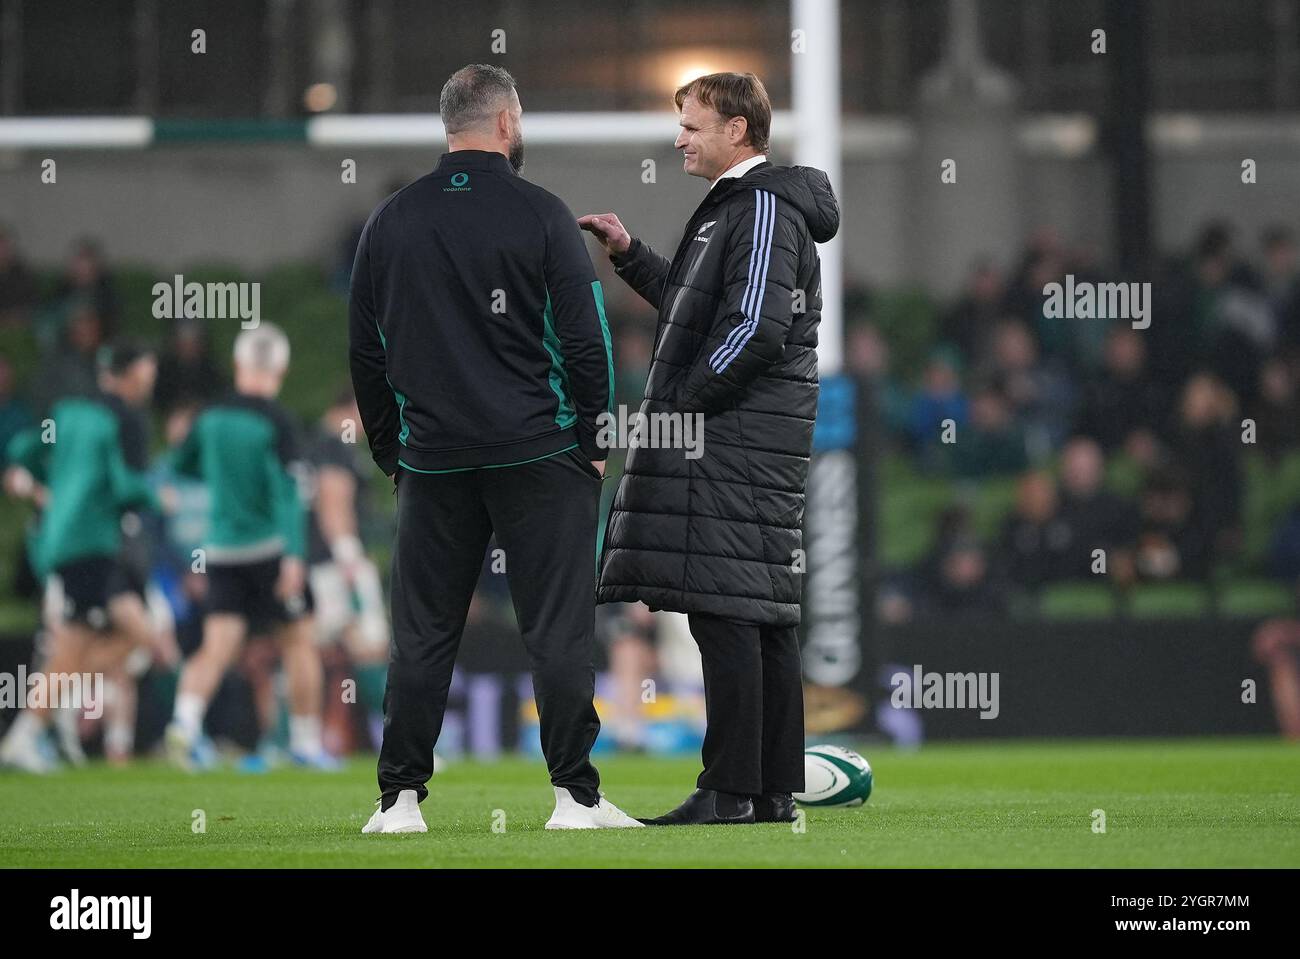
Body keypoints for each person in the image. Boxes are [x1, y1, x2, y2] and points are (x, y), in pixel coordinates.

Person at [348, 64, 638, 833]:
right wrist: (594, 438)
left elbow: (365, 354)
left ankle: (399, 799)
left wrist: (391, 453)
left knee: (421, 632)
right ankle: (574, 796)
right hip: (539, 452)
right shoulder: (543, 214)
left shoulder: (390, 221)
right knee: (558, 628)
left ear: (451, 125)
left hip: (433, 460)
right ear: (506, 122)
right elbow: (587, 341)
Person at [580, 71, 840, 825]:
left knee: (728, 613)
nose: (679, 139)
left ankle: (729, 790)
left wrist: (682, 404)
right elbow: (710, 309)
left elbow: (753, 327)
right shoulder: (743, 209)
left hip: (736, 442)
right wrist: (631, 255)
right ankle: (767, 792)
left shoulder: (760, 207)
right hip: (750, 439)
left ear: (737, 130)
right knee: (756, 615)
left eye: (691, 126)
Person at [164, 324, 334, 771]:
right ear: (280, 368)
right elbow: (290, 493)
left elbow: (181, 462)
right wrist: (295, 556)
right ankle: (305, 742)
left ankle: (184, 723)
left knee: (218, 644)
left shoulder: (210, 415)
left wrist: (222, 482)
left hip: (221, 549)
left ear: (240, 364)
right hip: (270, 548)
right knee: (299, 642)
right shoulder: (277, 421)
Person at [0, 342, 163, 772]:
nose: (150, 377)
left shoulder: (69, 411)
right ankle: (28, 732)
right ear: (133, 372)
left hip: (58, 538)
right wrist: (158, 495)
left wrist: (43, 487)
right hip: (92, 540)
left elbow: (21, 452)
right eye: (147, 368)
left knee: (115, 639)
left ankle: (44, 716)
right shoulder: (124, 419)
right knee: (76, 640)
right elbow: (124, 486)